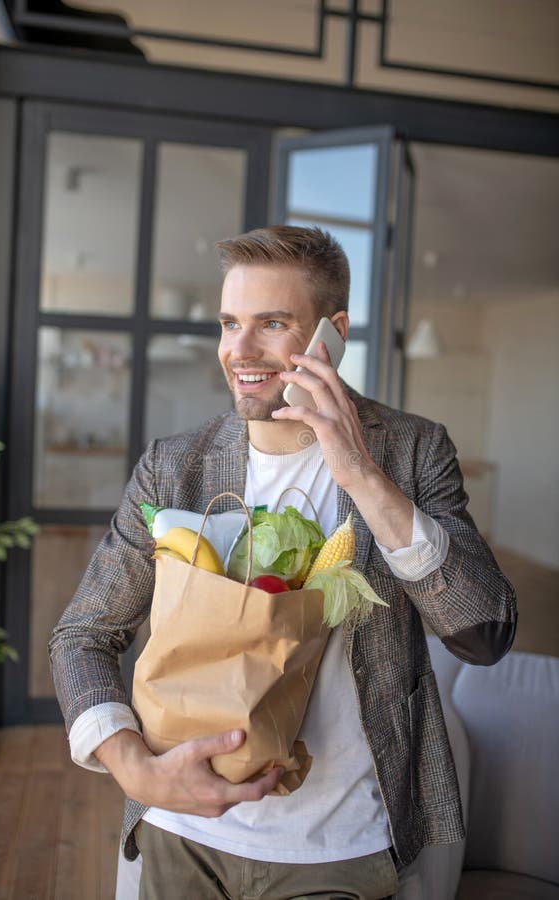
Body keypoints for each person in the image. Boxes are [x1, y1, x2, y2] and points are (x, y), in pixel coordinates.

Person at [50, 225, 517, 900]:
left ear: (332, 333)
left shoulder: (413, 452)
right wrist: (134, 771)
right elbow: (83, 636)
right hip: (184, 832)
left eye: (271, 323)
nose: (239, 351)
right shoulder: (173, 466)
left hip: (339, 842)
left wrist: (360, 474)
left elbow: (486, 633)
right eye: (228, 323)